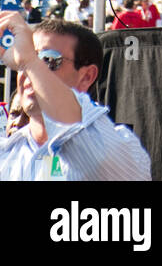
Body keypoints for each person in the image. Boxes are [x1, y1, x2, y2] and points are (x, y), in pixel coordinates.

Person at [0, 13, 151, 180]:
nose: (30, 71)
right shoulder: (7, 155)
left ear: (86, 76)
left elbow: (87, 141)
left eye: (48, 59)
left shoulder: (119, 146)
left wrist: (30, 60)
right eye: (23, 61)